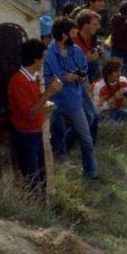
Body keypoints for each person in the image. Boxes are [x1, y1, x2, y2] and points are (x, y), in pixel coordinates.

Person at [8, 38, 63, 201]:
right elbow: (30, 113)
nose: (44, 62)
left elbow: (35, 103)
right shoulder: (18, 82)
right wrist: (49, 93)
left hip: (35, 132)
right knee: (33, 180)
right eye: (42, 58)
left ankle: (42, 210)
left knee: (42, 177)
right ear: (35, 60)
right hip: (25, 136)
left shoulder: (33, 78)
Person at [44, 17, 98, 180]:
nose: (75, 34)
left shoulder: (76, 50)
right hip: (55, 102)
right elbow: (46, 78)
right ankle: (59, 165)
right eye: (72, 31)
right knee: (56, 134)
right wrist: (63, 77)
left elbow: (84, 68)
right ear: (63, 34)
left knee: (86, 138)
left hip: (74, 101)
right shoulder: (48, 54)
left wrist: (81, 77)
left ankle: (90, 172)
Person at [93, 58, 127, 134]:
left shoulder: (123, 80)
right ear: (108, 74)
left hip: (118, 110)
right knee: (112, 128)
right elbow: (96, 110)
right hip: (104, 115)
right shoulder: (98, 86)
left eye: (119, 70)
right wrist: (114, 98)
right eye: (115, 71)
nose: (119, 74)